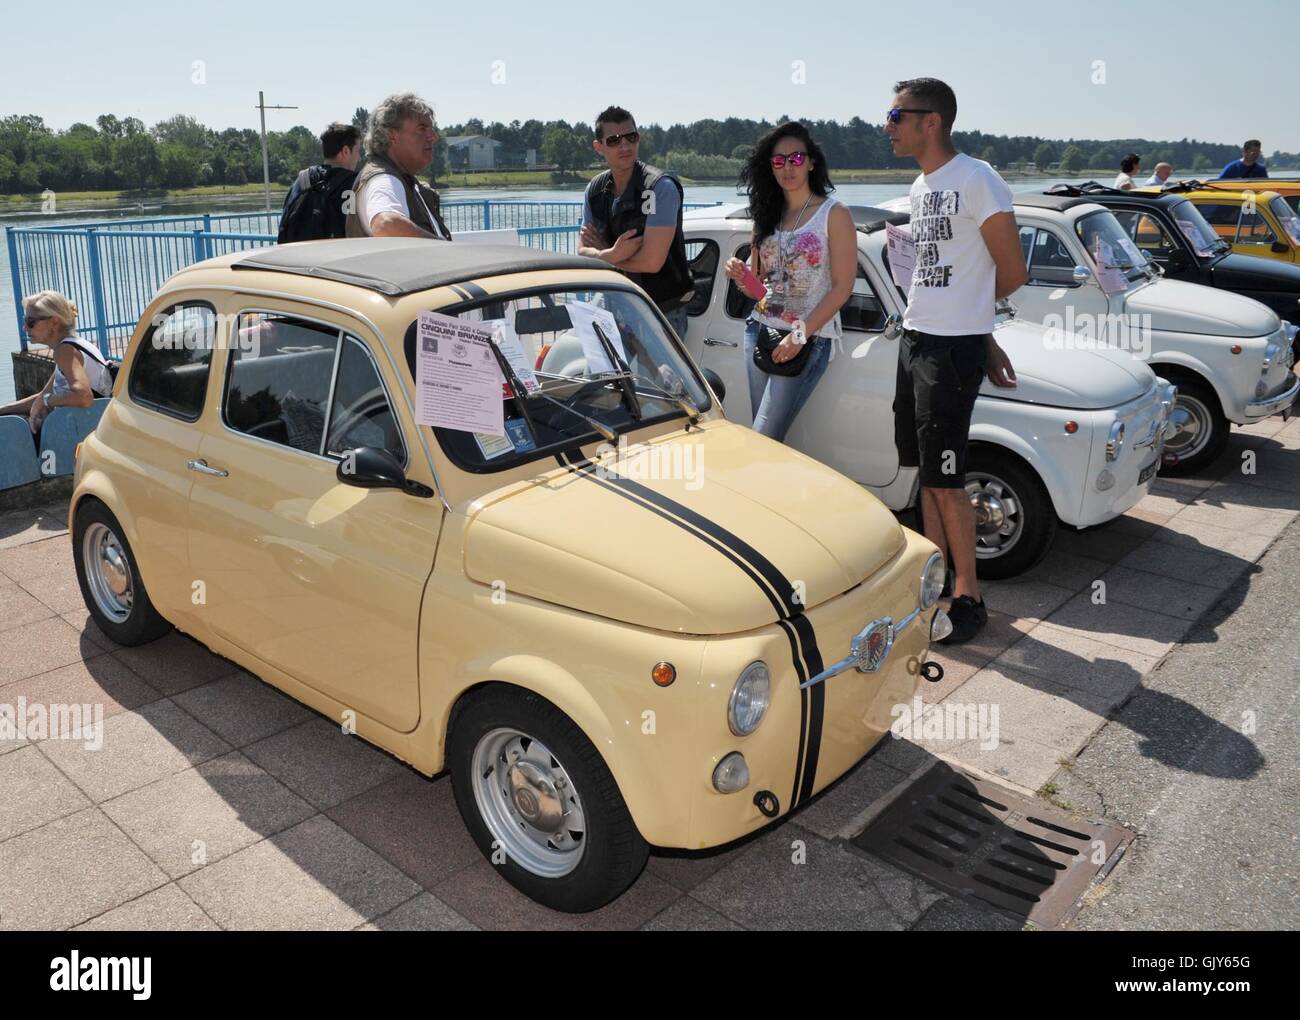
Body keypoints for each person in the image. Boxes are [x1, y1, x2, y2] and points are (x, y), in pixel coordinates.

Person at [884, 77, 1025, 644]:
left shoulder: (977, 178)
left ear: (930, 121)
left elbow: (1011, 272)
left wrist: (974, 336)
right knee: (927, 475)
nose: (887, 127)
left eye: (895, 117)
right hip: (917, 340)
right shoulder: (922, 187)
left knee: (948, 479)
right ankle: (936, 584)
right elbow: (943, 275)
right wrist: (986, 339)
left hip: (949, 349)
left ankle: (969, 595)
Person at [721, 121, 855, 442]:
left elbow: (843, 287)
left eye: (795, 159)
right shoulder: (766, 215)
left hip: (806, 339)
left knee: (762, 439)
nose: (787, 167)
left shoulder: (833, 214)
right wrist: (741, 277)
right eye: (778, 161)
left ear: (811, 162)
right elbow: (759, 289)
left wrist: (797, 336)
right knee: (767, 439)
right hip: (759, 330)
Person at [578, 106, 694, 338]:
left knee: (655, 376)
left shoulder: (660, 188)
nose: (625, 146)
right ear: (598, 147)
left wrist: (604, 255)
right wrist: (610, 254)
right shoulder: (595, 190)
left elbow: (651, 262)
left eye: (631, 137)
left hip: (660, 310)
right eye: (614, 140)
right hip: (614, 302)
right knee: (601, 374)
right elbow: (582, 253)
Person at [0, 291, 113, 448]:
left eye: (31, 322)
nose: (25, 327)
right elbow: (42, 397)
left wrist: (47, 401)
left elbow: (84, 397)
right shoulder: (71, 345)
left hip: (78, 436)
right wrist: (4, 409)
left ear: (54, 322)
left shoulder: (65, 351)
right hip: (83, 429)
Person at [346, 93, 452, 240]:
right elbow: (386, 225)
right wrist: (443, 249)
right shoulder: (384, 179)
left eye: (431, 129)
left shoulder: (399, 178)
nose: (433, 136)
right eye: (422, 129)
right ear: (392, 136)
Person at [277, 122, 361, 242]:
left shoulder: (302, 179)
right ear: (346, 151)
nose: (359, 157)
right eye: (358, 151)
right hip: (336, 257)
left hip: (296, 256)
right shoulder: (354, 183)